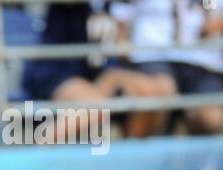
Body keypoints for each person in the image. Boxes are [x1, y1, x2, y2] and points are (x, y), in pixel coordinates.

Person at [23, 2, 174, 139]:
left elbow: (115, 51)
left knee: (155, 92)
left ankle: (132, 158)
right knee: (99, 106)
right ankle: (41, 149)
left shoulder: (112, 6)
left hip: (102, 74)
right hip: (58, 73)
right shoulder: (67, 8)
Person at [114, 0, 223, 135]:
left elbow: (211, 6)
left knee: (210, 118)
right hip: (154, 54)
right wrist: (121, 38)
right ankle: (137, 151)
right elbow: (121, 11)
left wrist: (218, 22)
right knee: (160, 92)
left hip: (203, 60)